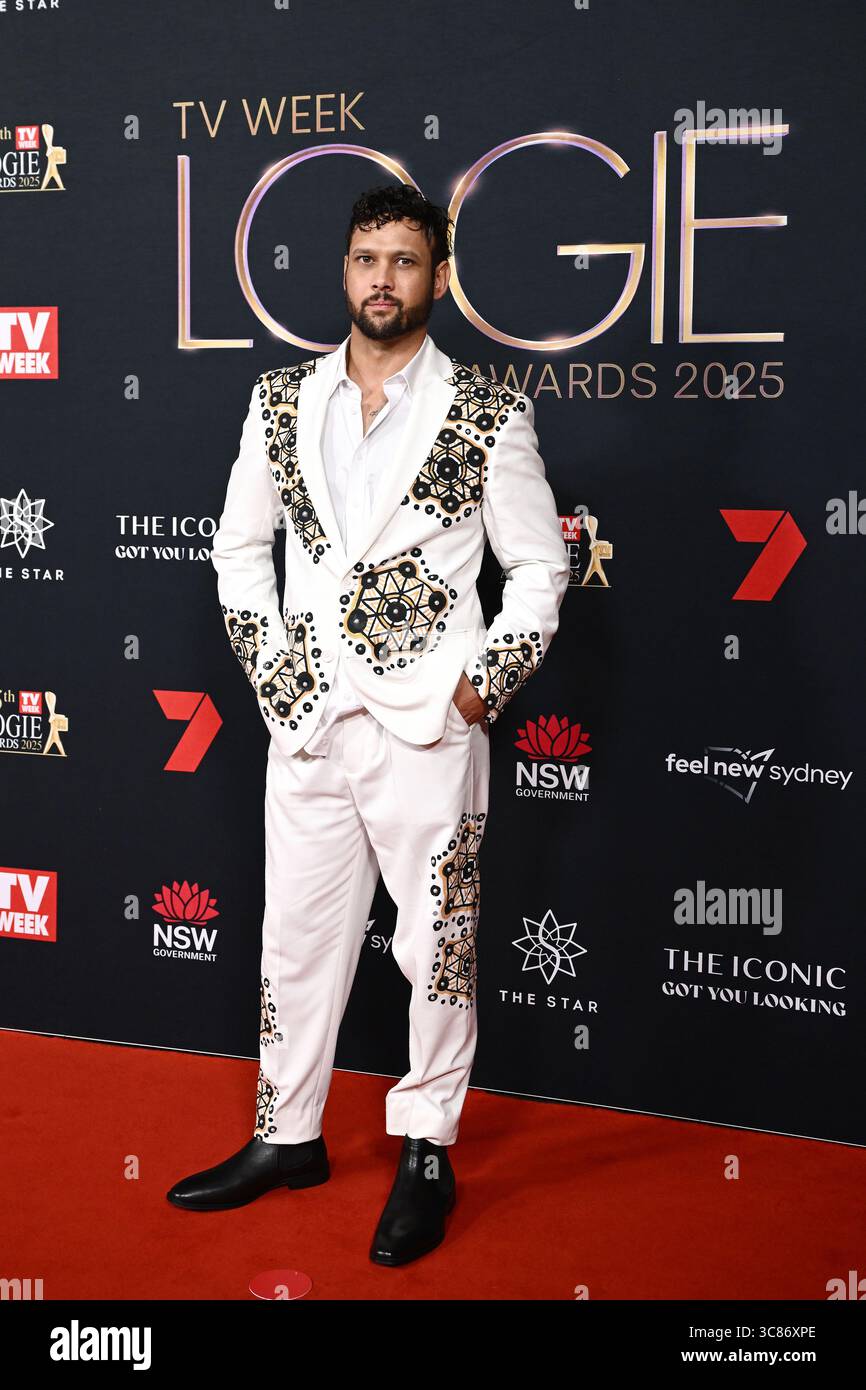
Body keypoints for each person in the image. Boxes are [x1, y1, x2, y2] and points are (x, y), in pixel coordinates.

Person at [166, 183, 570, 1265]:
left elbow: (538, 566)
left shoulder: (488, 411)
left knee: (434, 948)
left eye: (404, 259)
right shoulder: (278, 400)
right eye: (365, 258)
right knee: (292, 941)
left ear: (436, 277)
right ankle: (285, 1134)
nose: (382, 277)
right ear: (342, 273)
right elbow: (239, 551)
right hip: (305, 724)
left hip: (429, 729)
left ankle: (426, 1147)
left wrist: (480, 685)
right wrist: (274, 671)